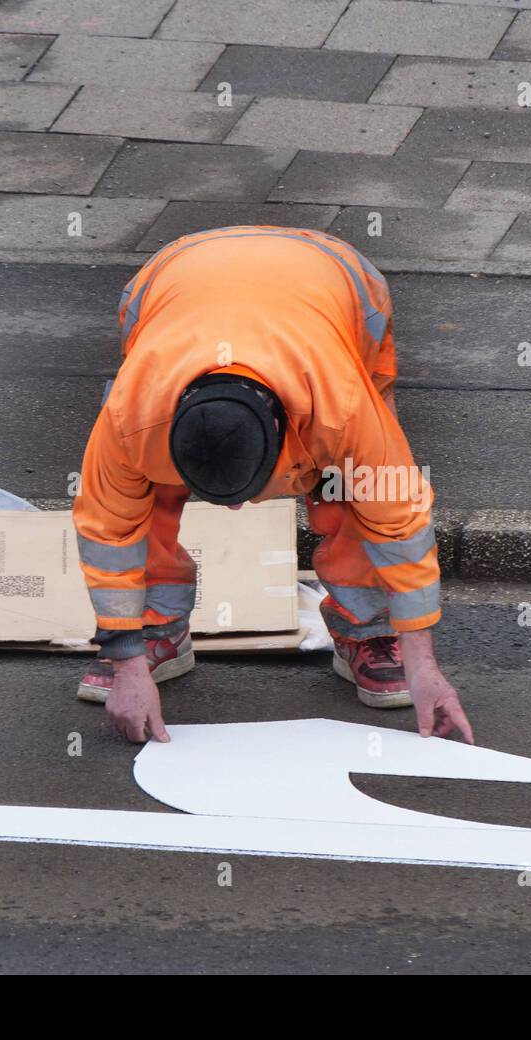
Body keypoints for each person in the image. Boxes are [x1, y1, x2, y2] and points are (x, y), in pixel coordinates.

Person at [71, 226, 474, 743]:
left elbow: (398, 524)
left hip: (336, 276)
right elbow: (109, 533)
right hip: (170, 276)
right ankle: (154, 628)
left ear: (287, 430)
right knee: (141, 497)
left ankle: (369, 630)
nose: (237, 510)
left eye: (245, 494)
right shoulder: (133, 414)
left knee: (350, 488)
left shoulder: (342, 408)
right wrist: (126, 663)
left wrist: (425, 666)